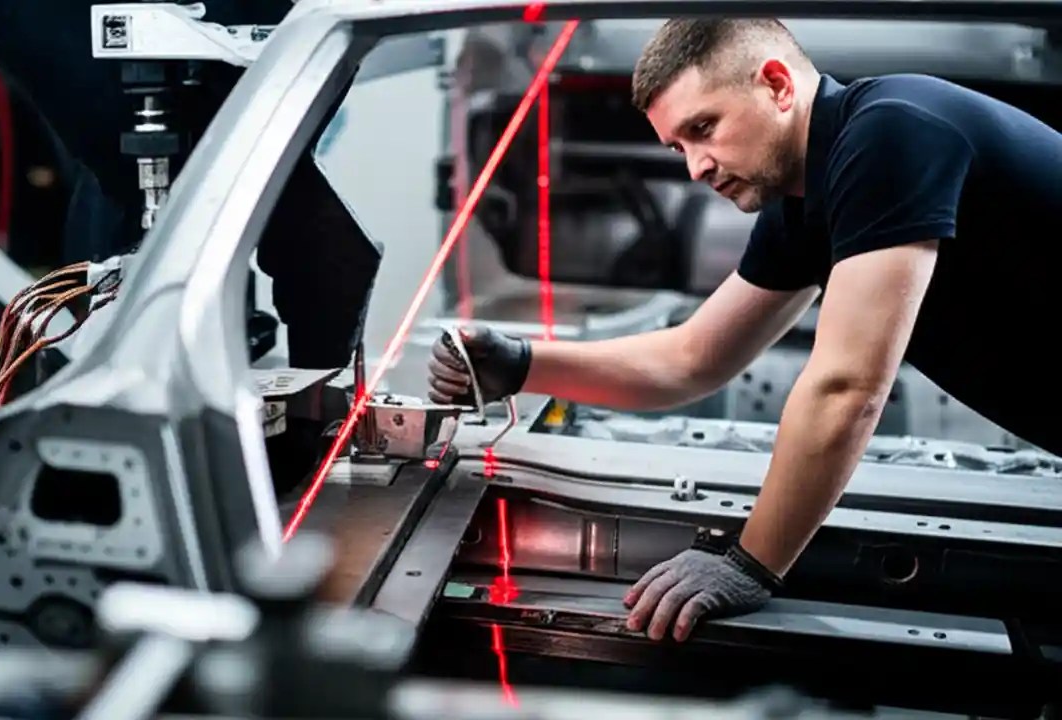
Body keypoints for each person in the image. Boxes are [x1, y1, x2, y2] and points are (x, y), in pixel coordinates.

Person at [427, 17, 1062, 644]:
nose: (696, 168)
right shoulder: (804, 203)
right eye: (679, 147)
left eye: (705, 129)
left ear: (779, 86)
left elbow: (848, 386)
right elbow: (690, 359)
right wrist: (519, 364)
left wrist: (751, 564)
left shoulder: (891, 129)